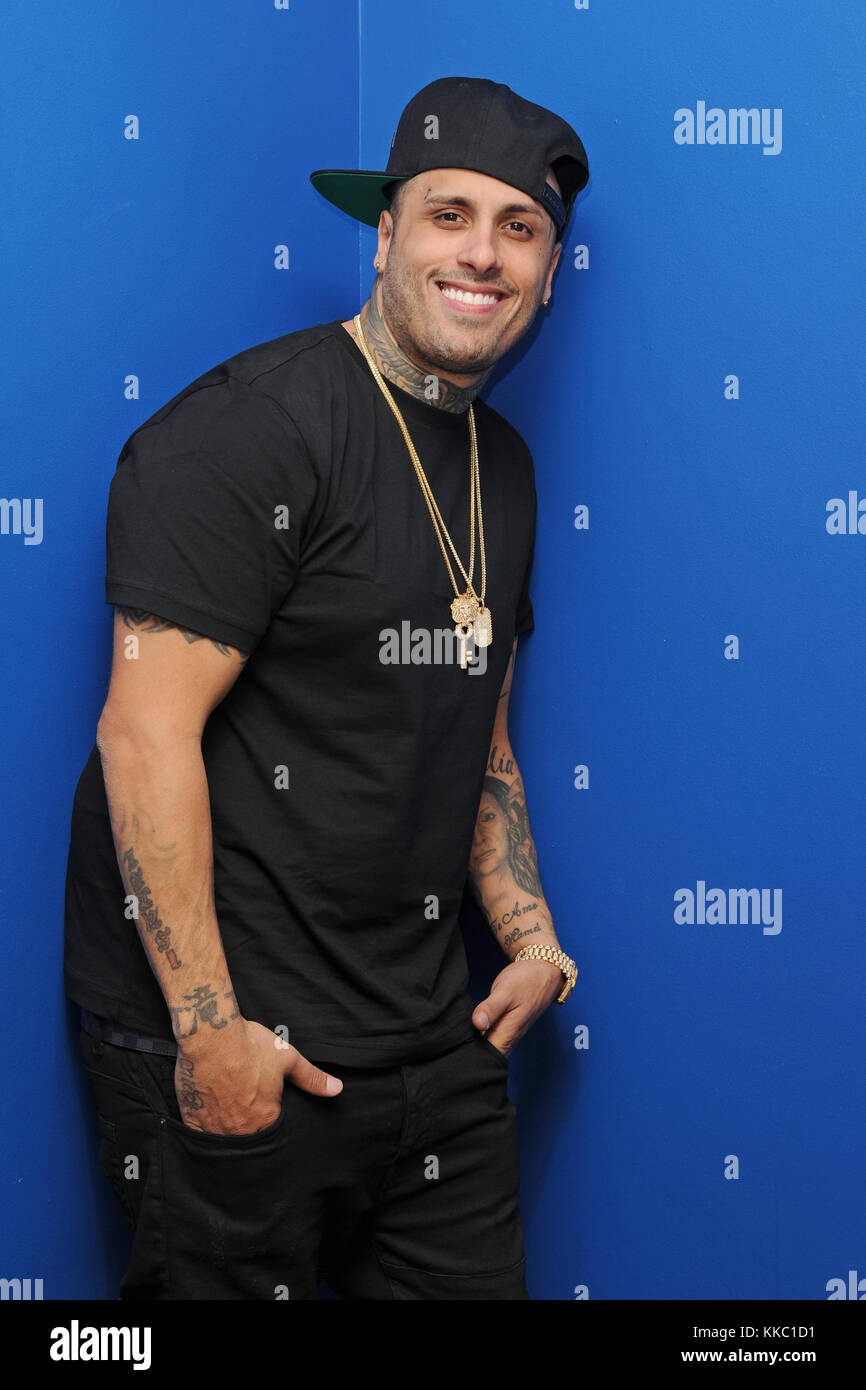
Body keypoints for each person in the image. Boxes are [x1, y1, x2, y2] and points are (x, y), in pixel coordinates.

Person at [64, 75, 586, 1301]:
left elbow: (479, 735)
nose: (481, 253)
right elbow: (143, 738)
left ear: (550, 274)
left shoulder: (496, 462)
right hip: (240, 1039)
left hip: (428, 1036)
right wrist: (209, 1038)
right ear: (386, 236)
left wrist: (525, 934)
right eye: (448, 213)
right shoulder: (248, 433)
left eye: (519, 229)